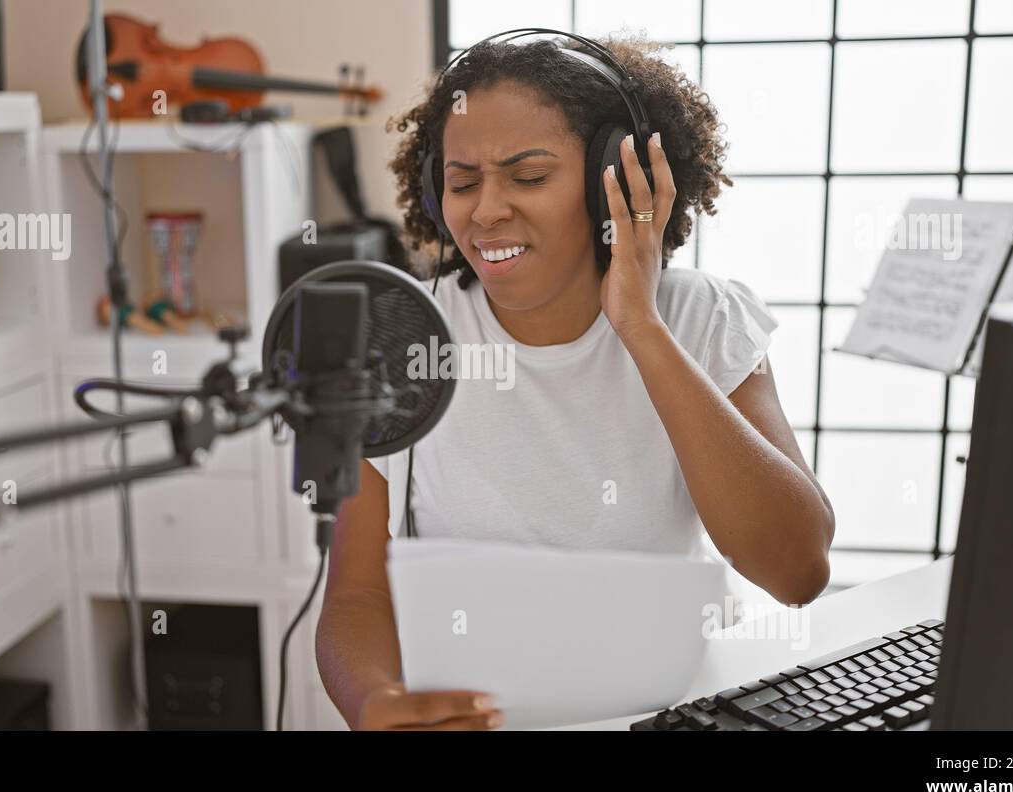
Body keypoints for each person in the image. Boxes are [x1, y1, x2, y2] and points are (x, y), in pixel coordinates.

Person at [316, 33, 835, 731]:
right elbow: (354, 595)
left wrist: (642, 328)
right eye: (463, 182)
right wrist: (372, 700)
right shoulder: (401, 336)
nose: (487, 210)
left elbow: (796, 571)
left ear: (610, 186)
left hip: (669, 715)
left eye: (528, 177)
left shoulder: (701, 316)